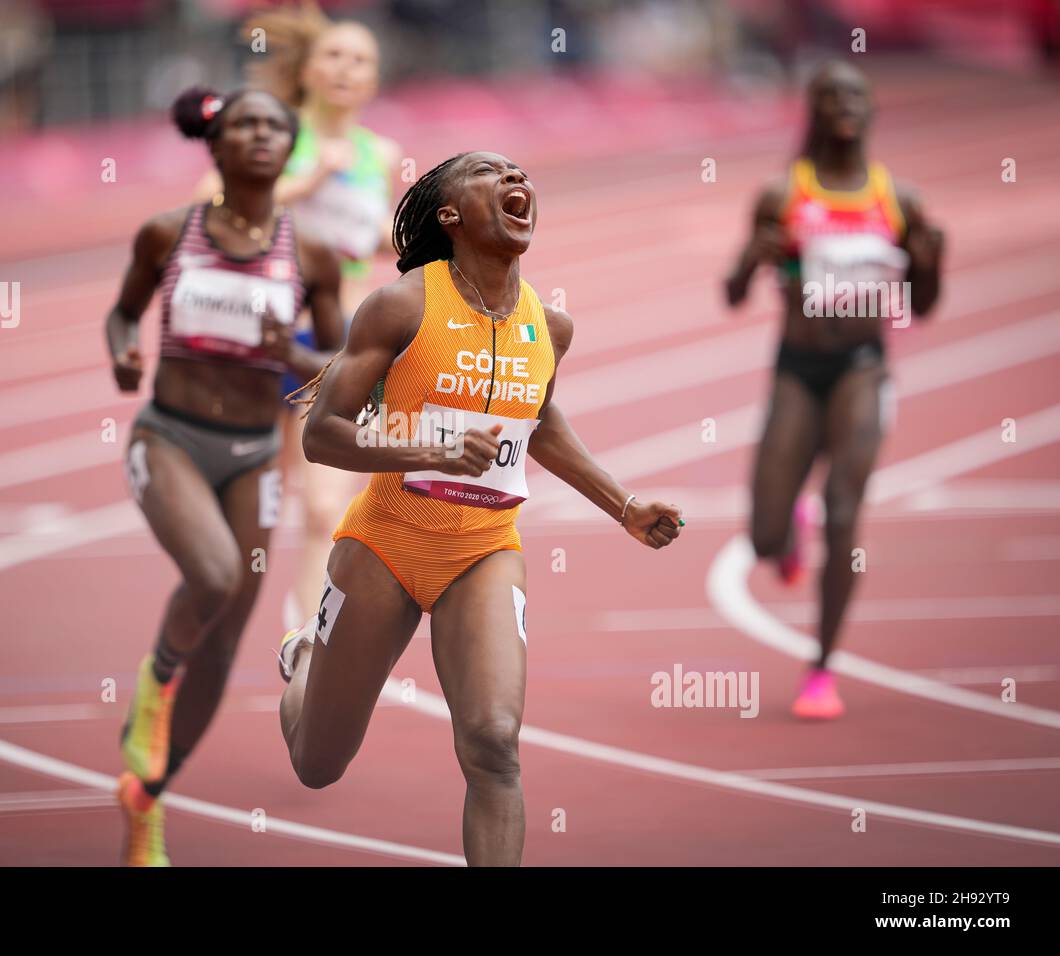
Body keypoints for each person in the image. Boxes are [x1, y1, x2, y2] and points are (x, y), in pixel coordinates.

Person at [276, 151, 683, 866]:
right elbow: (321, 433)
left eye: (521, 173)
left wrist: (624, 505)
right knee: (318, 765)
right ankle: (309, 651)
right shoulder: (401, 304)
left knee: (494, 743)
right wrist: (427, 450)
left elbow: (542, 425)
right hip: (384, 544)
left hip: (485, 551)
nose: (515, 181)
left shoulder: (549, 326)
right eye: (490, 174)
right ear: (450, 214)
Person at [105, 85, 343, 865]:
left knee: (226, 641)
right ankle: (152, 684)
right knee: (210, 576)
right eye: (246, 123)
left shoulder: (311, 256)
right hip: (171, 437)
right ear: (216, 145)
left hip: (252, 456)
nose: (262, 135)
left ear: (290, 147)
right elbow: (121, 313)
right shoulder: (167, 234)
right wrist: (122, 354)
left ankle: (148, 799)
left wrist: (292, 354)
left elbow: (339, 373)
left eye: (277, 125)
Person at [725, 60, 944, 720]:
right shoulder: (781, 194)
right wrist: (751, 258)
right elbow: (733, 294)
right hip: (797, 367)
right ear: (813, 111)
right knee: (761, 538)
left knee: (846, 510)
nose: (844, 106)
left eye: (855, 95)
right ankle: (785, 531)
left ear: (872, 109)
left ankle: (821, 668)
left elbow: (925, 304)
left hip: (863, 367)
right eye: (830, 97)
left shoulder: (898, 200)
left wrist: (931, 264)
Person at [197, 6, 401, 631]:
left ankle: (306, 639)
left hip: (338, 341)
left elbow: (377, 245)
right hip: (258, 338)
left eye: (361, 60)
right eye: (335, 56)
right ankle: (203, 631)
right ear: (308, 69)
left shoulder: (382, 153)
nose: (347, 70)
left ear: (374, 80)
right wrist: (304, 180)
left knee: (322, 508)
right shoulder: (271, 131)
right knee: (244, 509)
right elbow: (212, 206)